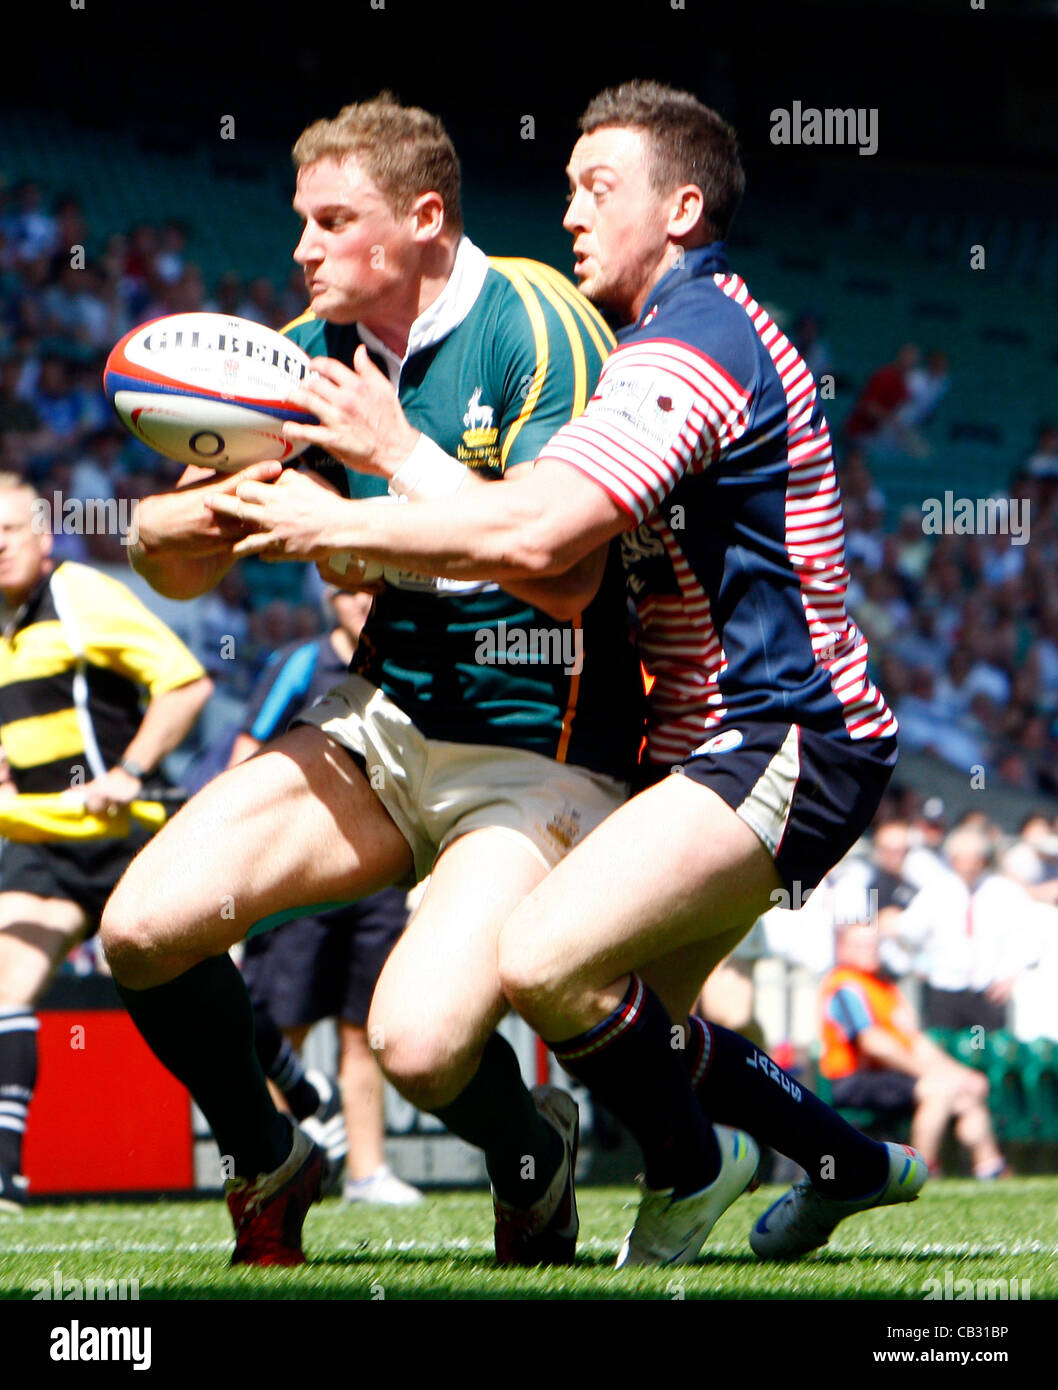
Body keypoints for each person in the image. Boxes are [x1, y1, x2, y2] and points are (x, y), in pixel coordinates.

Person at [220, 81, 928, 1266]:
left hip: (781, 733)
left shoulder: (692, 343)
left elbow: (543, 538)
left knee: (547, 959)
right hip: (700, 741)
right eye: (565, 190)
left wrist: (376, 472)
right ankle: (846, 1163)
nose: (570, 215)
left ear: (684, 207)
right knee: (653, 1021)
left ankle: (691, 1174)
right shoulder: (659, 339)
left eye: (598, 189)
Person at [99, 95, 646, 1267]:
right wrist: (203, 517)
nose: (302, 246)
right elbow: (162, 553)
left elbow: (560, 574)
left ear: (424, 219)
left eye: (332, 219)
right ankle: (267, 1151)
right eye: (302, 219)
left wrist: (391, 461)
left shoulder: (540, 325)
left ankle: (530, 1154)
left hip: (540, 748)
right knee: (141, 927)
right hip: (383, 723)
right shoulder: (306, 354)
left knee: (412, 1041)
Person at [0, 473, 212, 1212]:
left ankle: (300, 1099)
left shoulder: (81, 594)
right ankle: (5, 1181)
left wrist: (129, 771)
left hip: (128, 839)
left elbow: (185, 684)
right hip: (46, 846)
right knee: (5, 986)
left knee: (199, 997)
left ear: (44, 536)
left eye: (9, 532)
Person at [232, 586, 421, 1206]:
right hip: (301, 873)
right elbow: (245, 754)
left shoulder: (413, 661)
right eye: (344, 588)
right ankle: (283, 1163)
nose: (358, 600)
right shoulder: (297, 664)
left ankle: (367, 1172)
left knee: (363, 1029)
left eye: (371, 587)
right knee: (282, 1026)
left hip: (386, 873)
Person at [820, 921, 1006, 1179]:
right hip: (852, 1079)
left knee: (965, 1092)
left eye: (874, 944)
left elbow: (915, 1041)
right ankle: (919, 1170)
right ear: (842, 949)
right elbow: (873, 1043)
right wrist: (928, 1074)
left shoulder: (886, 988)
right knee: (939, 1088)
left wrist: (960, 1075)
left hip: (891, 1075)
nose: (870, 950)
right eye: (861, 945)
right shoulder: (845, 987)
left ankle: (990, 1167)